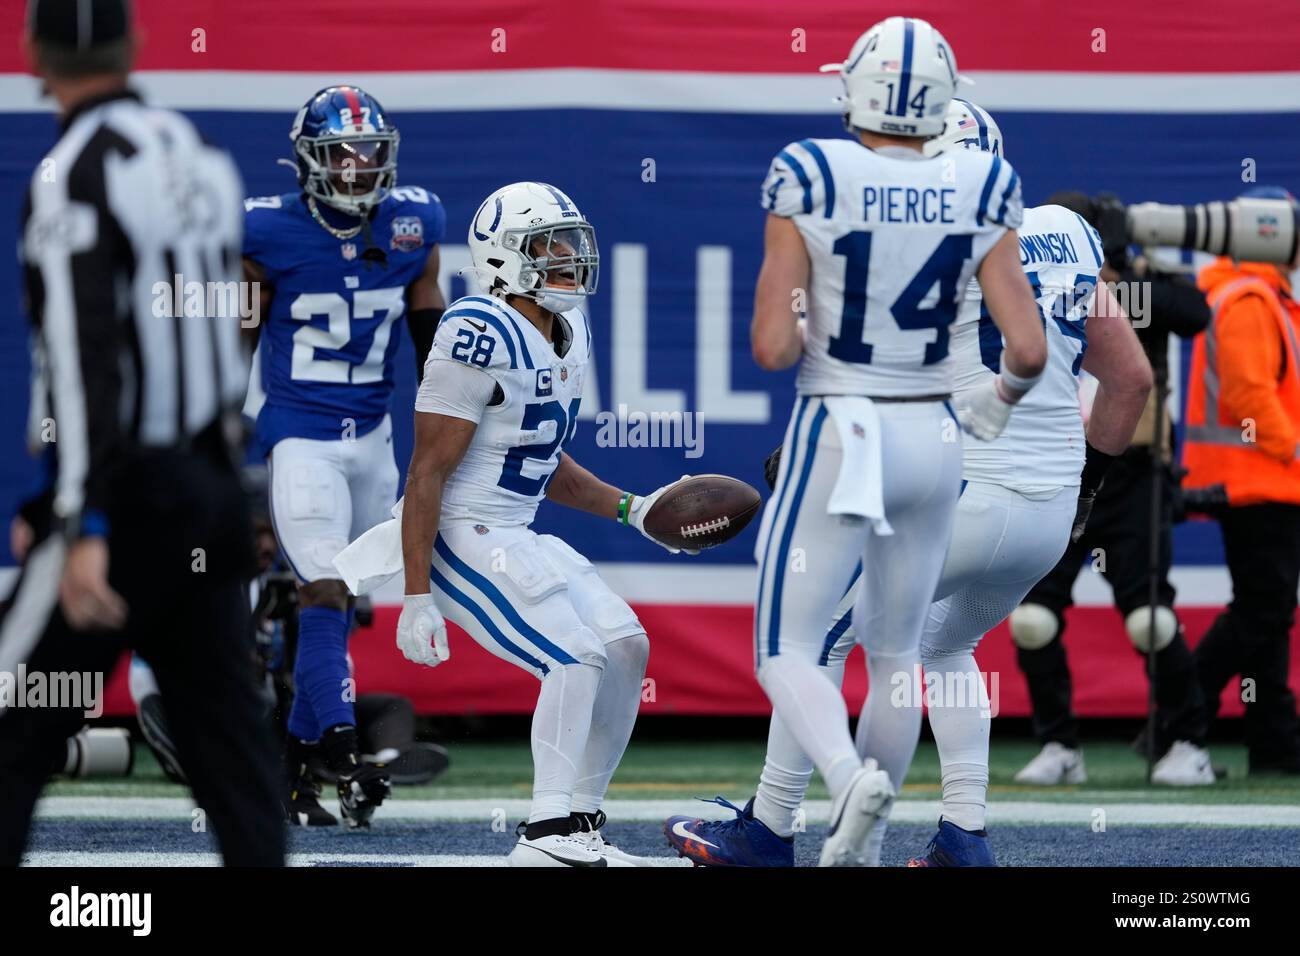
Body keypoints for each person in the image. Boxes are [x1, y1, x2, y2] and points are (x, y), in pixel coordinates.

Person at [667, 99, 1150, 866]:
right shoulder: (1067, 230)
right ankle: (966, 833)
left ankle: (771, 826)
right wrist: (1085, 492)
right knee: (943, 644)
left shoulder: (915, 239)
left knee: (817, 634)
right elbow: (1129, 380)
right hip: (1047, 517)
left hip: (965, 497)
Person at [741, 18, 1047, 869]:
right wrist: (1001, 401)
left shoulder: (808, 172)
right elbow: (1027, 350)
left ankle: (846, 785)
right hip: (937, 438)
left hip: (844, 424)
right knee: (899, 655)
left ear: (856, 92)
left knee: (785, 648)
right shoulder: (983, 184)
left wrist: (804, 321)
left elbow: (770, 349)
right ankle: (864, 846)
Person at [0, 0, 283, 866]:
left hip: (126, 501)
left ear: (33, 53)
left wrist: (78, 516)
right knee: (234, 758)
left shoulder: (71, 172)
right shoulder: (199, 156)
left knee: (14, 720)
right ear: (134, 44)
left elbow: (90, 361)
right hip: (206, 489)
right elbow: (222, 333)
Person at [337, 181, 691, 866]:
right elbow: (427, 472)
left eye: (569, 243)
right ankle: (544, 835)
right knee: (574, 656)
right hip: (456, 535)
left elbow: (541, 457)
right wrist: (415, 595)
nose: (567, 258)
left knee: (624, 645)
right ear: (503, 259)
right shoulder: (476, 329)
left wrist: (633, 508)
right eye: (548, 247)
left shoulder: (569, 325)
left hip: (514, 531)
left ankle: (580, 822)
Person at [242, 85, 447, 828]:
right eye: (341, 154)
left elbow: (435, 347)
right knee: (323, 587)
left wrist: (455, 426)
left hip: (374, 446)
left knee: (340, 604)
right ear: (307, 162)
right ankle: (339, 746)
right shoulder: (264, 234)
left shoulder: (415, 224)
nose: (358, 168)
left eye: (369, 154)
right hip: (301, 438)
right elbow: (235, 343)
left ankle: (294, 775)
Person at [1010, 191, 1215, 787]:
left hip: (1130, 471)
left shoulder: (1133, 290)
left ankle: (1187, 739)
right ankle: (1059, 744)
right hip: (1054, 462)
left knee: (1149, 617)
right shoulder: (1027, 284)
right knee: (1032, 619)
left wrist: (1123, 275)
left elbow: (1193, 312)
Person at [1185, 185, 1300, 775]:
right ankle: (1177, 722)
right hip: (1259, 481)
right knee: (1261, 612)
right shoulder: (1252, 298)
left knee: (1268, 614)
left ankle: (1274, 744)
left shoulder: (1251, 293)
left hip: (1261, 481)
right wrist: (1293, 450)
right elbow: (1248, 398)